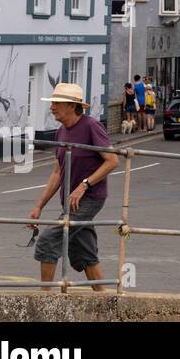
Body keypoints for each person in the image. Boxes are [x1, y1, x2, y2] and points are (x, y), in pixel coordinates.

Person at [28, 83, 119, 292]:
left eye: (56, 103)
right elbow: (57, 172)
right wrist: (39, 206)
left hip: (90, 198)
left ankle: (45, 300)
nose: (52, 107)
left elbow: (112, 161)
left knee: (48, 240)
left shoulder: (91, 127)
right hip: (71, 201)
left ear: (71, 106)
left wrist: (84, 185)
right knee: (84, 252)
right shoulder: (61, 132)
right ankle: (103, 299)